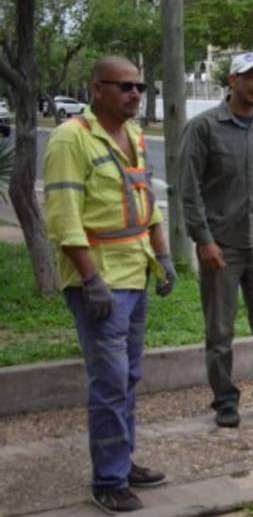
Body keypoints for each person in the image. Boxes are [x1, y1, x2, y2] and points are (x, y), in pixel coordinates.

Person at [43, 56, 175, 513]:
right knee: (111, 382)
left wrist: (162, 255)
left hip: (134, 271)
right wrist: (90, 279)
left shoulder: (134, 135)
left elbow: (147, 201)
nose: (135, 93)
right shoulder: (70, 138)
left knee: (129, 377)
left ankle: (122, 461)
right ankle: (108, 480)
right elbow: (62, 217)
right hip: (99, 280)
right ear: (96, 88)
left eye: (139, 85)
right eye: (124, 86)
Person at [180, 52, 253, 429]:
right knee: (220, 331)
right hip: (223, 246)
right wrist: (204, 240)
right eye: (251, 78)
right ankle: (224, 401)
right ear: (232, 80)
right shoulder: (203, 128)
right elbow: (189, 190)